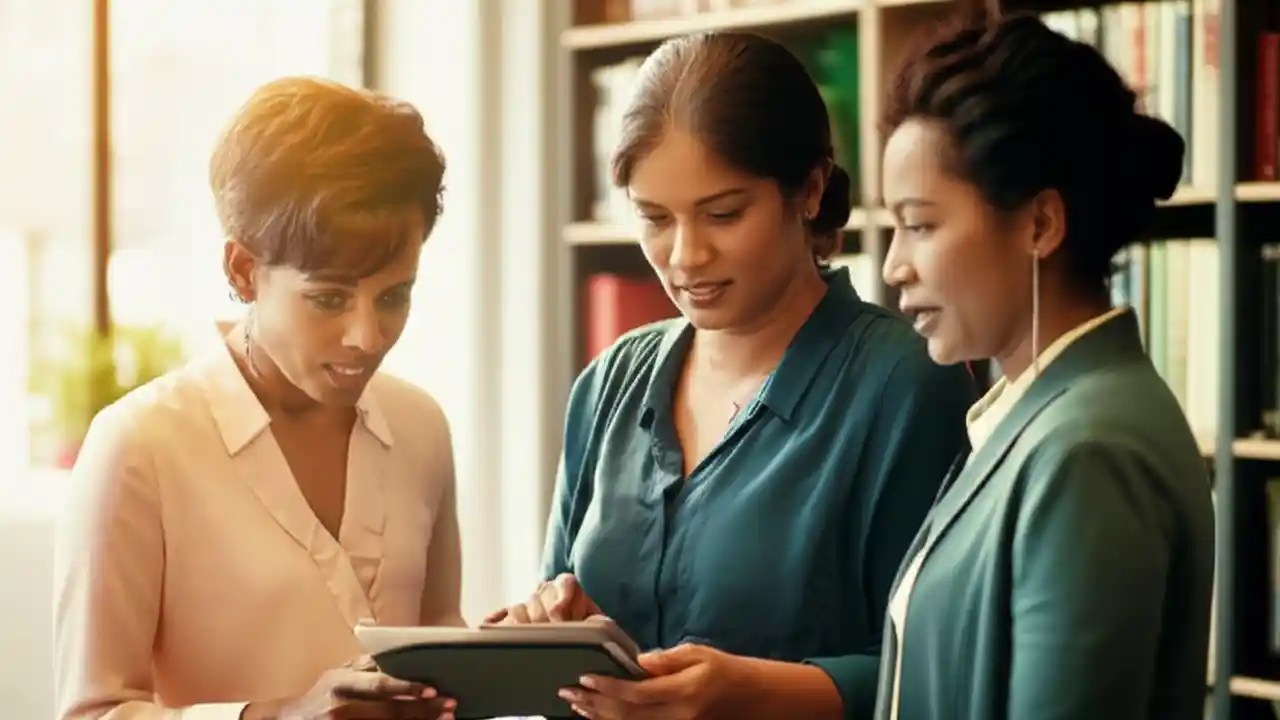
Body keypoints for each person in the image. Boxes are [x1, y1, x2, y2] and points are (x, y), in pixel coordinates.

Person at [488, 31, 973, 719]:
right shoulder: (609, 383)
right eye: (654, 218)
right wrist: (553, 630)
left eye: (722, 214)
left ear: (807, 190)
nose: (685, 257)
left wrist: (756, 694)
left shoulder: (905, 383)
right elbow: (557, 626)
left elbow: (940, 672)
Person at [53, 77, 463, 720]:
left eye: (394, 296)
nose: (367, 337)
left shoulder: (421, 426)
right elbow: (92, 712)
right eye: (329, 298)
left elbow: (443, 641)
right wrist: (275, 716)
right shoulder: (140, 446)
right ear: (243, 271)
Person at [868, 11, 1215, 720]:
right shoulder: (1031, 419)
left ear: (1040, 224)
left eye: (922, 224)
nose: (893, 265)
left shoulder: (1088, 451)